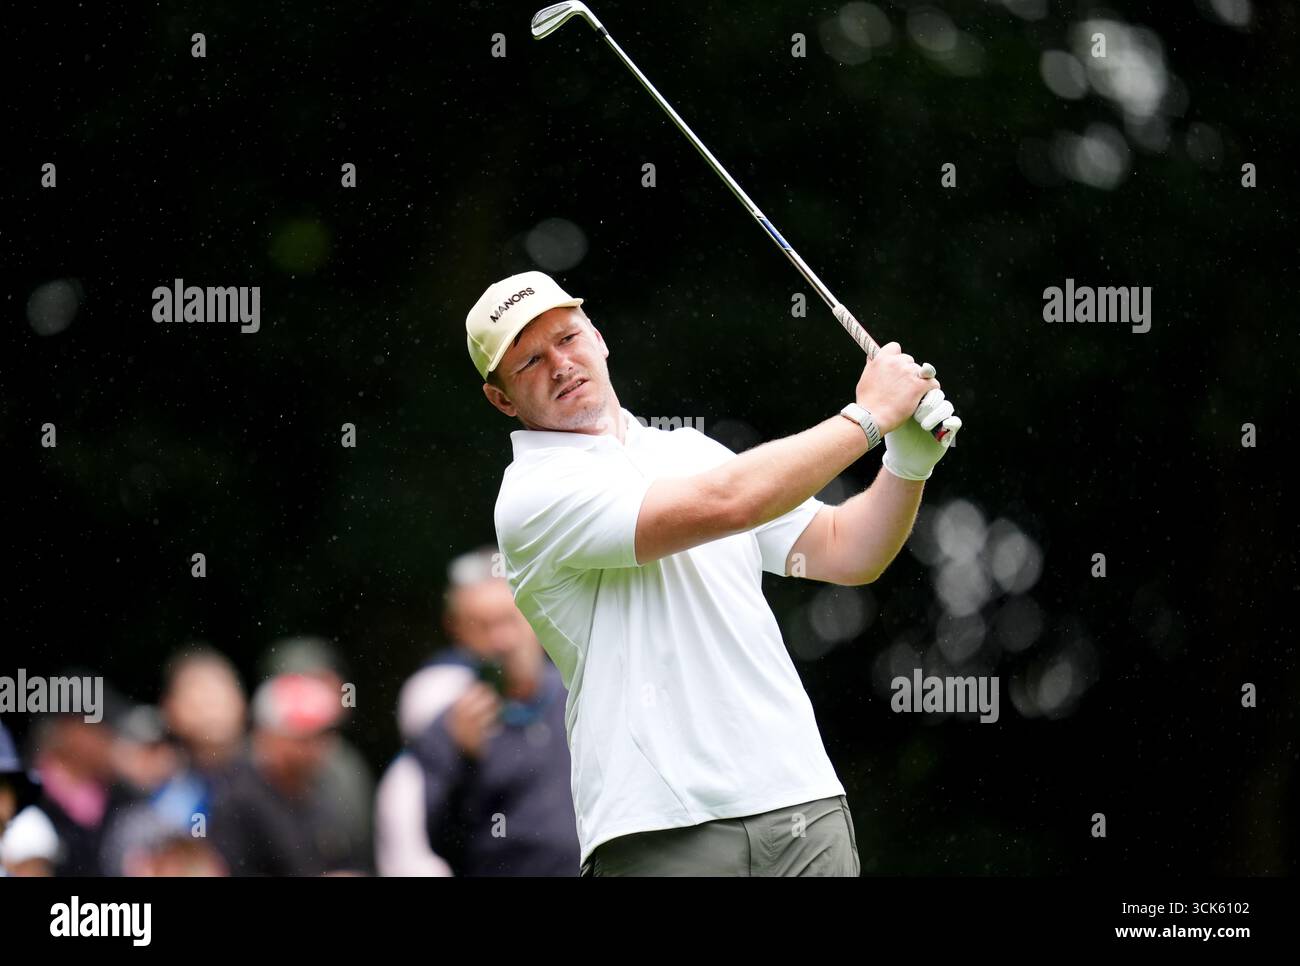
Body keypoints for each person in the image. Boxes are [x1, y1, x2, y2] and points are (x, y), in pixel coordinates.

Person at [466, 270, 958, 876]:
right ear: (502, 399)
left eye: (567, 338)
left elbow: (846, 548)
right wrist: (869, 416)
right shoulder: (533, 496)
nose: (560, 364)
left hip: (800, 801)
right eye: (530, 362)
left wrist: (908, 463)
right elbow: (730, 503)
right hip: (659, 827)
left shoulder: (691, 454)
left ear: (597, 336)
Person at [374, 548, 579, 876]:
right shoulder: (450, 726)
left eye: (509, 619)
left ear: (536, 612)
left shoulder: (578, 695)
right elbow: (440, 845)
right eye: (483, 626)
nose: (502, 640)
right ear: (457, 631)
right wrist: (464, 763)